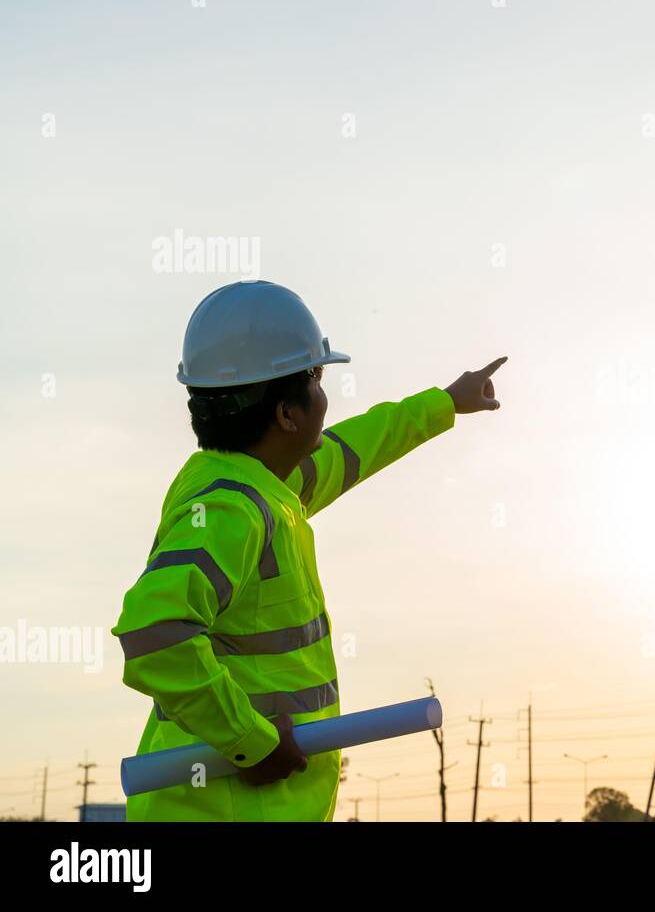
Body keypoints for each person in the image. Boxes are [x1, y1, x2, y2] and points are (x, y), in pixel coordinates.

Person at [111, 279, 505, 820]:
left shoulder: (259, 483)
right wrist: (249, 741)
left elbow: (355, 449)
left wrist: (444, 404)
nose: (326, 397)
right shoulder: (234, 509)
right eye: (317, 380)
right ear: (287, 415)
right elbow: (154, 636)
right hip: (221, 811)